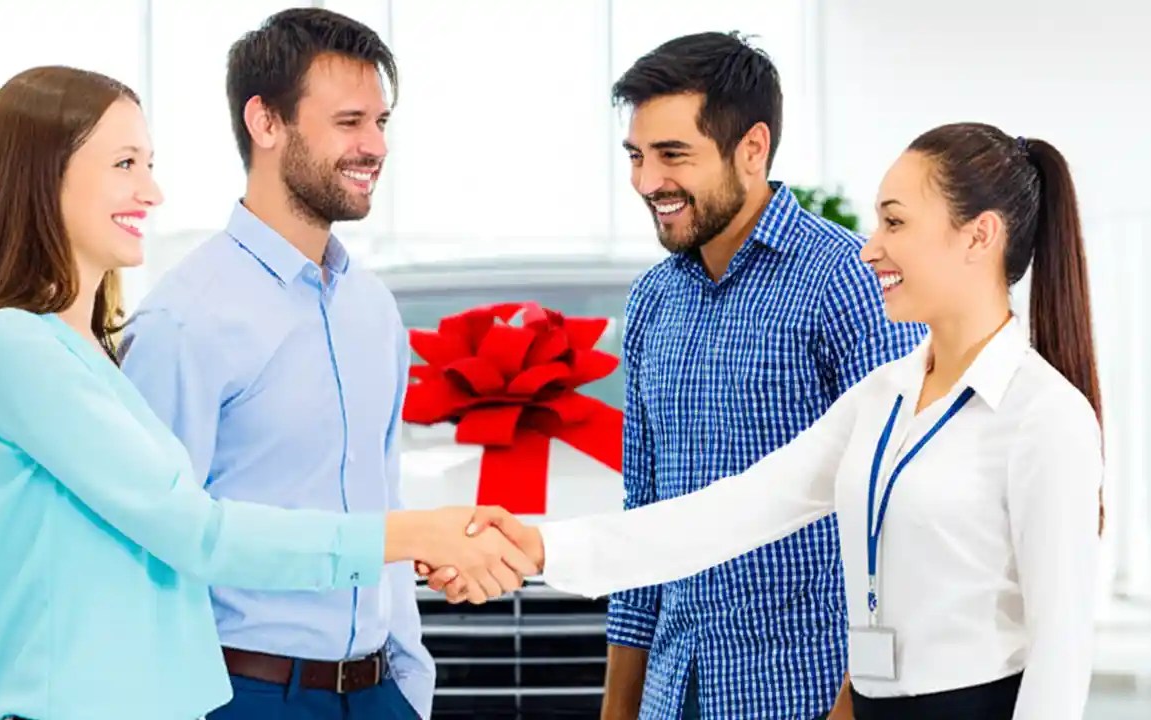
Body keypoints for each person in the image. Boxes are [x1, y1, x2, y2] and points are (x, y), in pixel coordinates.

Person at [442, 122, 1105, 720]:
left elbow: (1062, 650)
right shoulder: (884, 396)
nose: (871, 249)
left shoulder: (1044, 418)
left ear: (979, 235)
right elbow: (732, 514)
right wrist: (542, 547)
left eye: (895, 224)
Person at [0, 65, 534, 720]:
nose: (152, 190)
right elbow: (199, 533)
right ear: (45, 172)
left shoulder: (94, 358)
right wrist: (414, 534)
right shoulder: (13, 350)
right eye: (125, 163)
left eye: (150, 162)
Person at [480, 30, 923, 720]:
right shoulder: (654, 301)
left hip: (805, 694)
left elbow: (901, 515)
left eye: (673, 155)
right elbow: (645, 515)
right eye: (636, 156)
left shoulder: (851, 284)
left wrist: (857, 706)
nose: (647, 181)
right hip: (675, 691)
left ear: (752, 149)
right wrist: (620, 709)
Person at [118, 9, 433, 720]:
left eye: (382, 122)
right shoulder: (185, 319)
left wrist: (410, 686)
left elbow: (385, 499)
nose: (375, 146)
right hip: (245, 695)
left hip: (380, 692)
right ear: (265, 123)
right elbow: (150, 549)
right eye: (350, 121)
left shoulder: (372, 308)